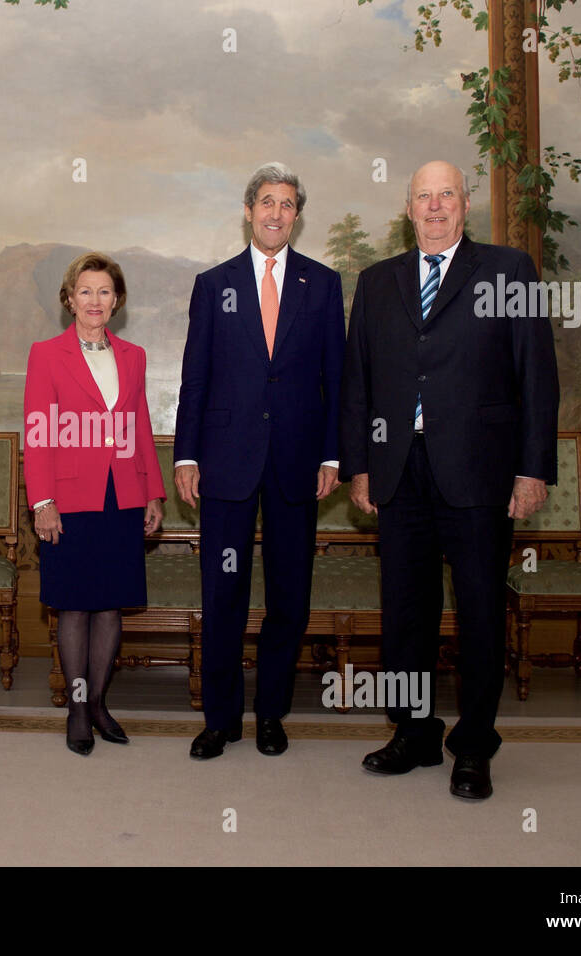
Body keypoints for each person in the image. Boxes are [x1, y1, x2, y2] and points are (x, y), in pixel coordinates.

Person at [339, 160, 559, 799]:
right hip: (399, 474)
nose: (435, 207)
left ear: (466, 205)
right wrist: (359, 465)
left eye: (447, 196)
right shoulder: (376, 283)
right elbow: (359, 383)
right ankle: (413, 733)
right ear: (408, 209)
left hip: (481, 474)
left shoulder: (510, 270)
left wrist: (532, 468)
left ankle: (474, 747)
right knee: (404, 612)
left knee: (481, 613)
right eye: (423, 197)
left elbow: (537, 378)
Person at [174, 162, 345, 759]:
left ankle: (271, 712)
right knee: (223, 592)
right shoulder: (212, 283)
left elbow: (335, 378)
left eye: (288, 204)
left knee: (289, 596)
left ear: (297, 216)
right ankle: (220, 719)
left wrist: (332, 453)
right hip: (225, 460)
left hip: (298, 462)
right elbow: (195, 377)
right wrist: (187, 454)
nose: (277, 213)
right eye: (267, 202)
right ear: (248, 211)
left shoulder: (322, 285)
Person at [24, 252, 166, 755]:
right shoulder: (45, 354)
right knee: (74, 607)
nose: (95, 300)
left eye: (104, 291)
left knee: (110, 606)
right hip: (69, 499)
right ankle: (77, 709)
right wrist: (42, 501)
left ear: (117, 301)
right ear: (69, 299)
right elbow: (37, 434)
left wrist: (152, 490)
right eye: (86, 291)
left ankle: (101, 702)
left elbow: (140, 427)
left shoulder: (134, 356)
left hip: (122, 496)